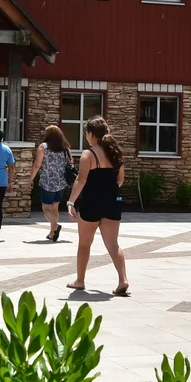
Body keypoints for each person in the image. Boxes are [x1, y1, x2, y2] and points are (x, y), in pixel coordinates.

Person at [66, 115, 128, 296]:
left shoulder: (89, 154)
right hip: (112, 203)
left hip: (91, 203)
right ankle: (123, 279)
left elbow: (81, 180)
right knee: (113, 244)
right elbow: (120, 180)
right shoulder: (116, 153)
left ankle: (80, 280)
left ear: (91, 133)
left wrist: (71, 202)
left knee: (85, 244)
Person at [29, 124, 73, 242]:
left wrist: (31, 178)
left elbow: (37, 164)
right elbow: (70, 163)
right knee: (55, 207)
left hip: (48, 182)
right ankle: (52, 233)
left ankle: (55, 225)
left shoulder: (43, 147)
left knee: (46, 208)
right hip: (61, 182)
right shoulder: (66, 148)